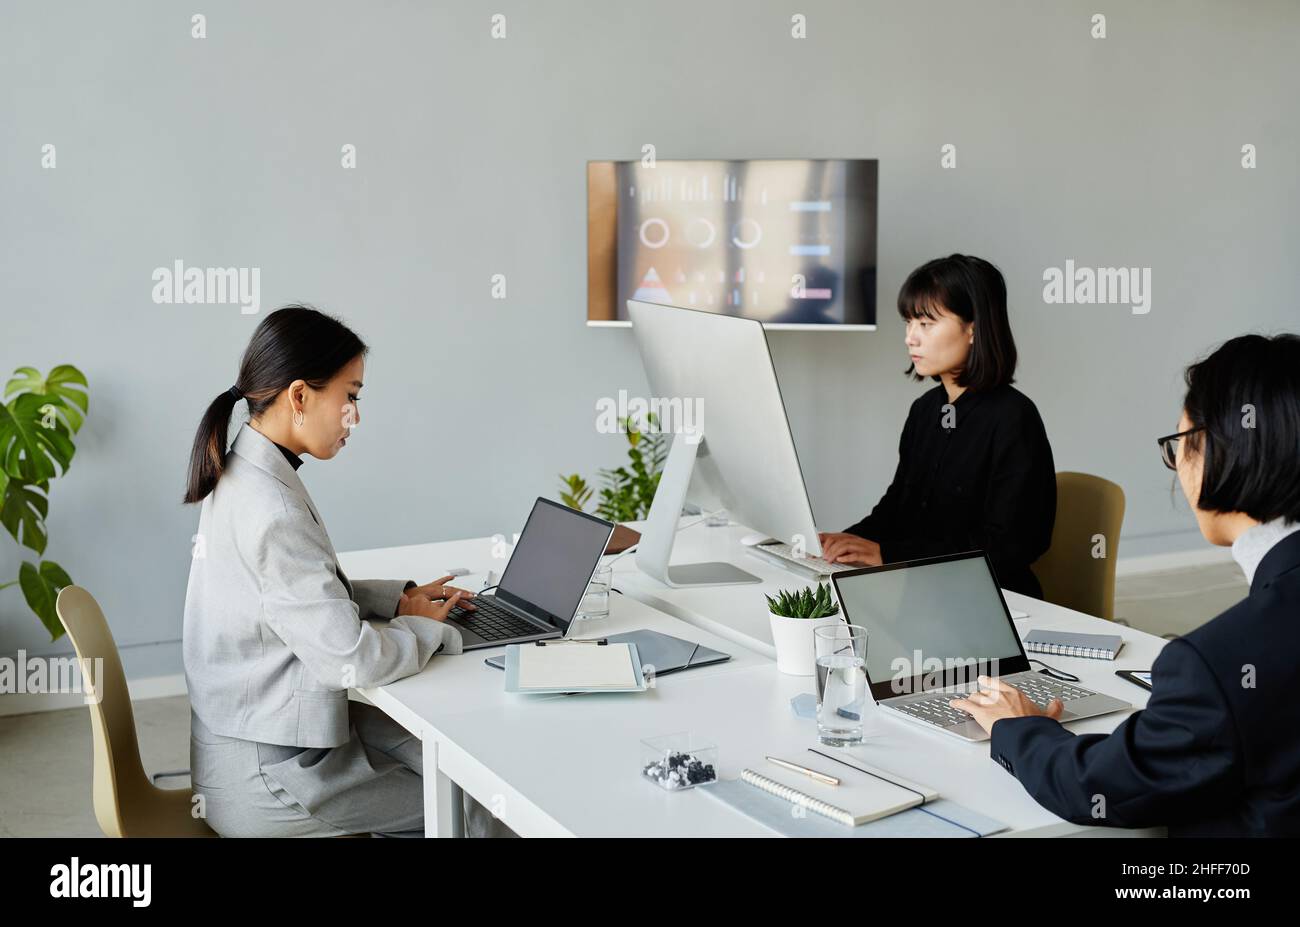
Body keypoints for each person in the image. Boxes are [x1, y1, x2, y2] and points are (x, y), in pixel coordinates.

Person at [951, 333, 1300, 836]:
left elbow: (1098, 786)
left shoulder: (1215, 664)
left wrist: (1018, 725)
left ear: (1223, 453)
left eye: (1179, 446)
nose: (1178, 468)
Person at [182, 304, 509, 837]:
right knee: (475, 811)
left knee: (449, 761)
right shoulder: (272, 508)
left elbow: (287, 599)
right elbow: (349, 657)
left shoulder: (245, 467)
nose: (354, 415)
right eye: (350, 396)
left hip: (259, 740)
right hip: (271, 775)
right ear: (299, 395)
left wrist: (396, 602)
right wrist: (430, 627)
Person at [819, 254, 1056, 597]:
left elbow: (1012, 546)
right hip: (925, 596)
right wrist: (840, 543)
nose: (910, 338)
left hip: (993, 602)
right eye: (909, 323)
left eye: (926, 324)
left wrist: (888, 554)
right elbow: (897, 508)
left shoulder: (1014, 418)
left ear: (973, 328)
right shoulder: (925, 410)